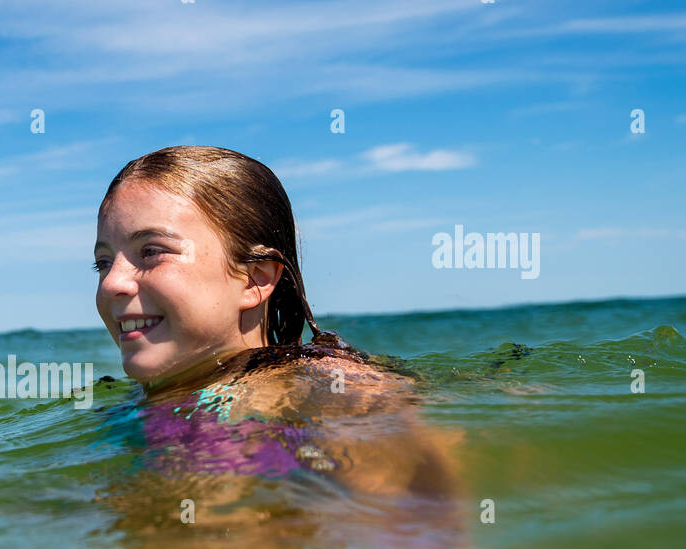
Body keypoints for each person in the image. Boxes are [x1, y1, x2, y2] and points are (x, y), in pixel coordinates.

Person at [93, 145, 457, 499]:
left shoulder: (335, 391)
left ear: (254, 280)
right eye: (104, 262)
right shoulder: (127, 407)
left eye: (152, 251)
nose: (111, 283)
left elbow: (425, 535)